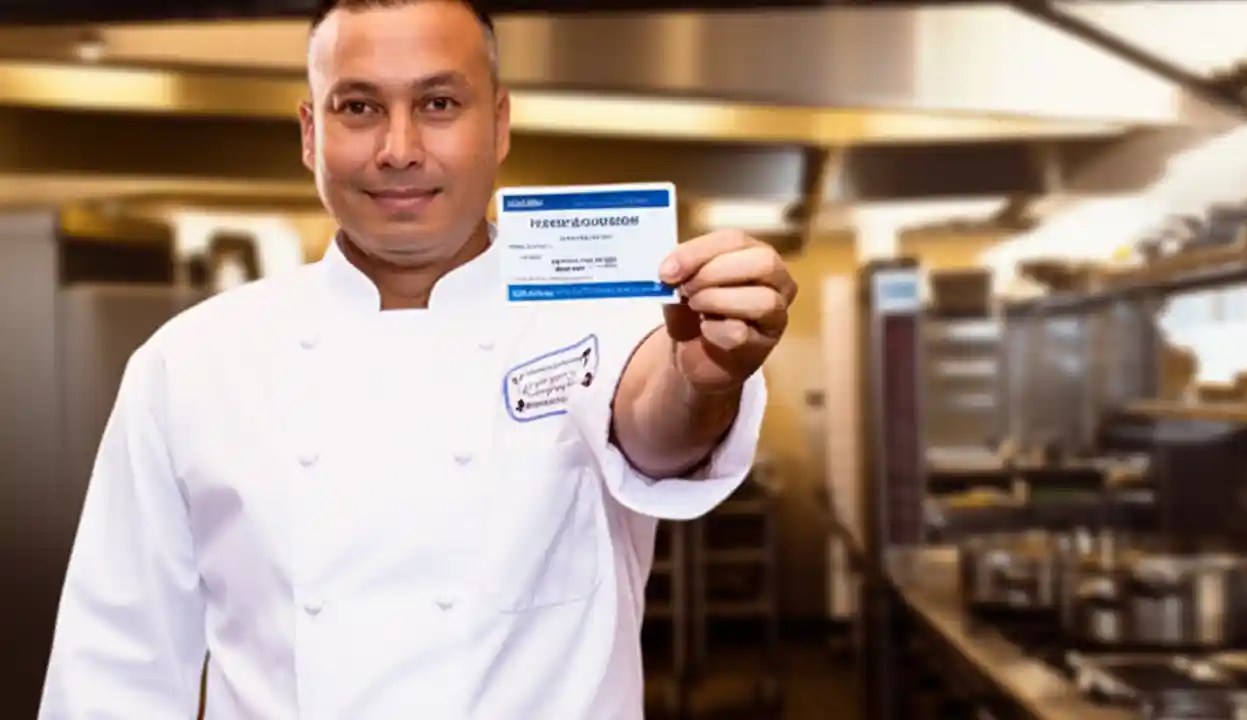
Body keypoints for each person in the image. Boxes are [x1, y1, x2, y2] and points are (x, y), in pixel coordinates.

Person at [38, 0, 797, 717]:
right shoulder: (191, 363)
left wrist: (704, 378)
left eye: (438, 104)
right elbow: (116, 668)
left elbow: (654, 424)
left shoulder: (607, 318)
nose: (399, 151)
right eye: (358, 107)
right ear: (310, 133)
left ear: (497, 123)